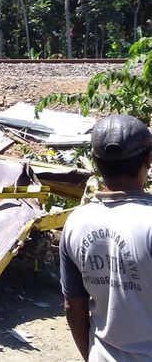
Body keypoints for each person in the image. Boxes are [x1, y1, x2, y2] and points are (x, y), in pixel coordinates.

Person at [59, 114, 152, 361]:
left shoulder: (76, 223)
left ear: (95, 161)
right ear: (148, 160)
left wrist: (91, 356)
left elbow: (73, 307)